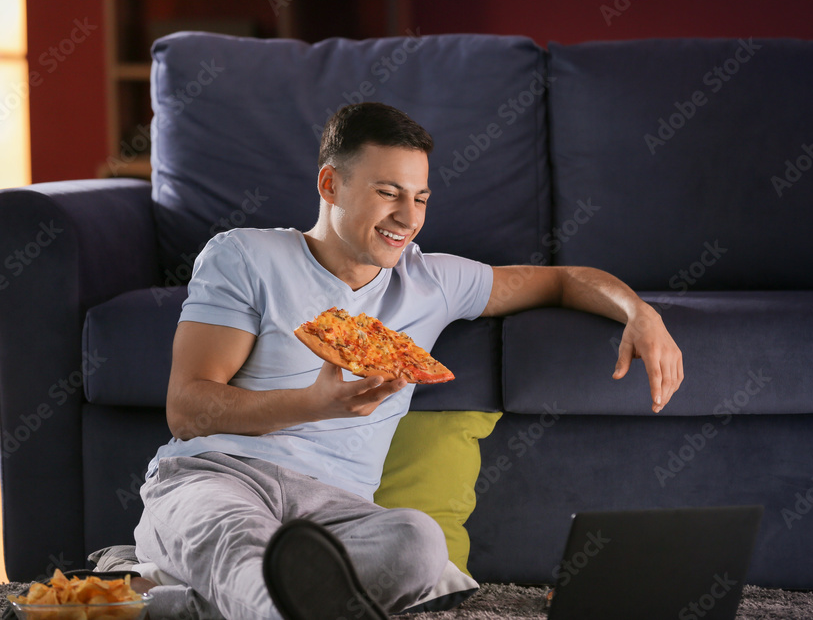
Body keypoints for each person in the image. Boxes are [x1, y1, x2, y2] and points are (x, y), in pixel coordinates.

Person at [131, 102, 683, 620]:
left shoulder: (432, 282)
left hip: (337, 510)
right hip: (218, 477)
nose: (407, 216)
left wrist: (640, 313)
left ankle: (174, 604)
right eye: (388, 192)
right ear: (331, 184)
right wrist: (313, 405)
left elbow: (563, 281)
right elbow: (187, 409)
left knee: (418, 543)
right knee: (239, 540)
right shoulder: (246, 255)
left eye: (419, 198)